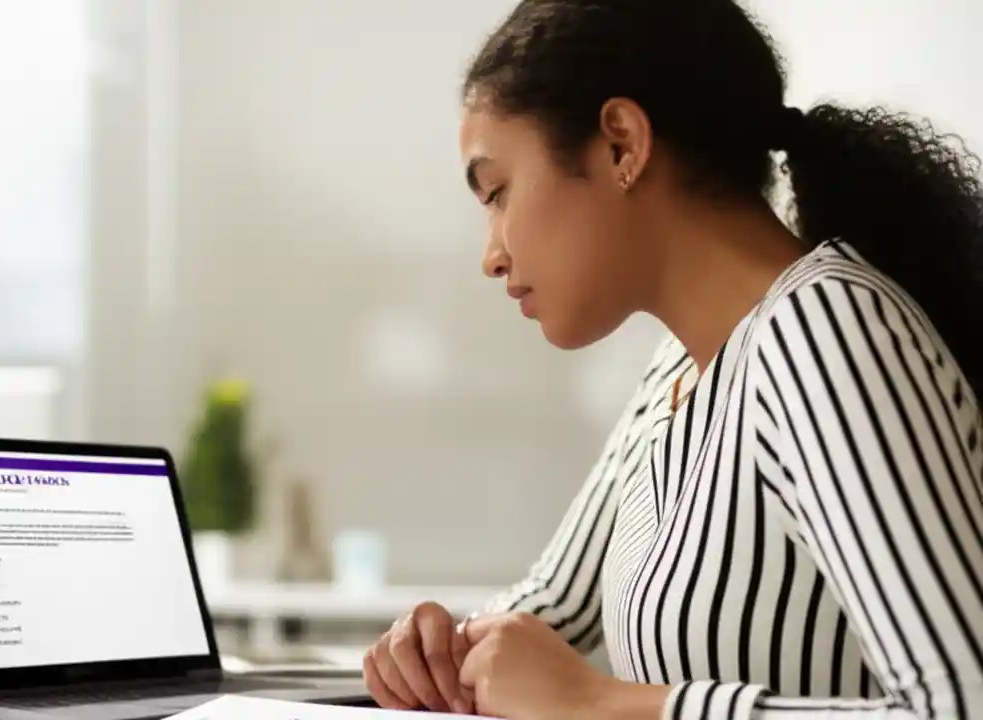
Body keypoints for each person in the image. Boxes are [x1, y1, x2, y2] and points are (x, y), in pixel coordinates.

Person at [361, 1, 983, 718]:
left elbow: (960, 703)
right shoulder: (679, 373)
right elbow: (549, 606)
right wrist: (433, 651)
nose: (491, 254)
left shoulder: (825, 332)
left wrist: (606, 704)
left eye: (498, 192)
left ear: (622, 143)